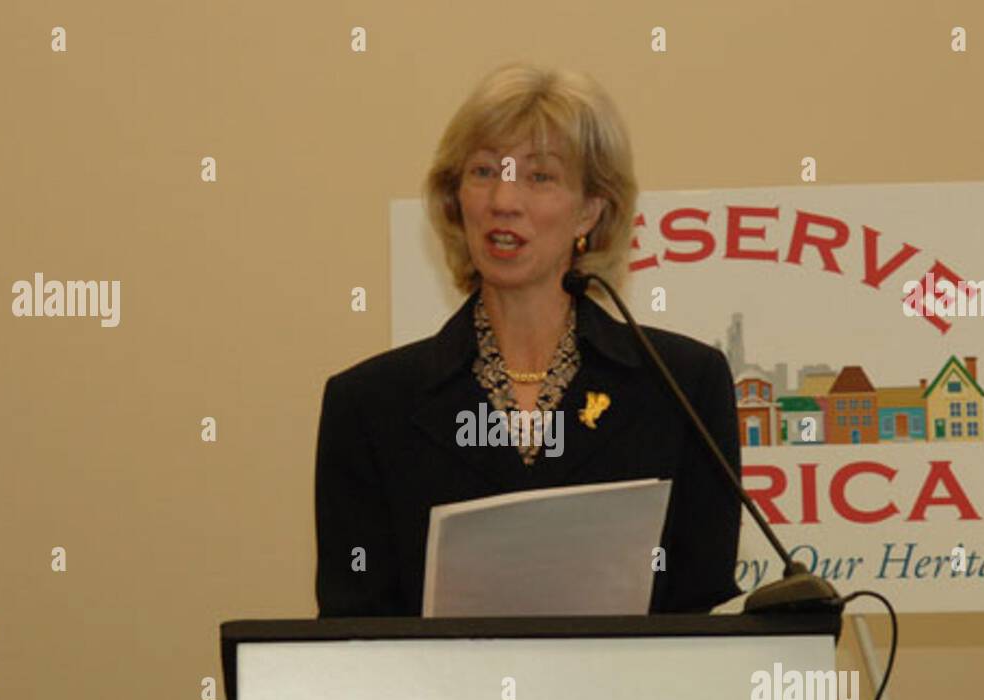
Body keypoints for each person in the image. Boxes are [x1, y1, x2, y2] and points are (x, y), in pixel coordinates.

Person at [315, 63, 742, 617]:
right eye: (484, 171)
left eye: (539, 177)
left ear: (591, 208)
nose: (503, 201)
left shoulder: (682, 385)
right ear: (455, 199)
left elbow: (702, 607)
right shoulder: (369, 404)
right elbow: (352, 626)